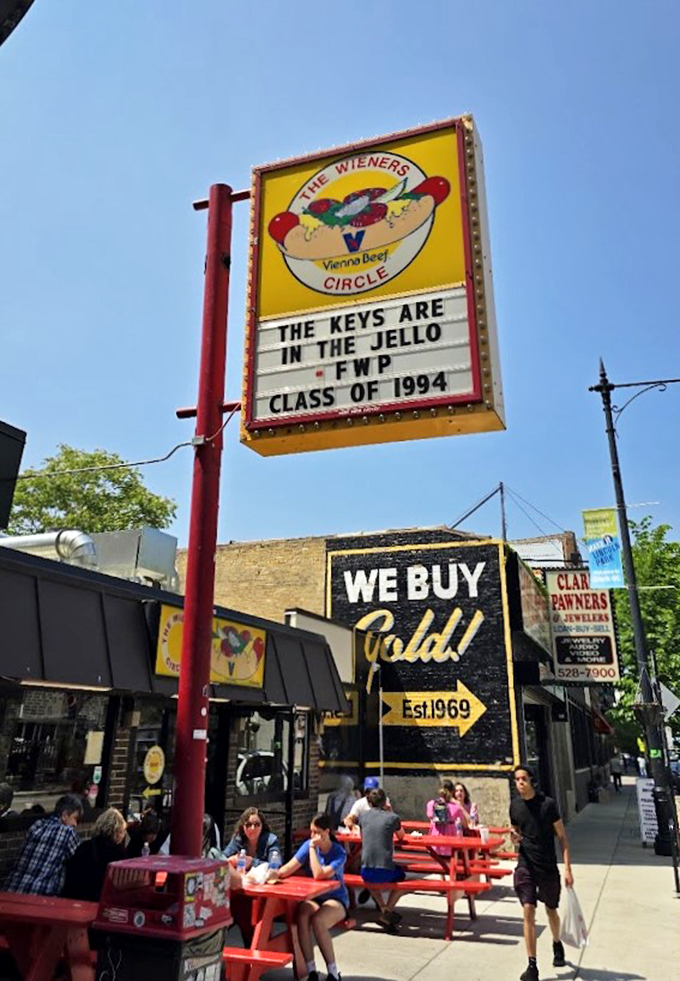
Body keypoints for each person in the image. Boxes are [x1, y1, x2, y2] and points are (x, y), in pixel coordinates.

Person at [510, 764, 573, 981]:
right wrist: (514, 838)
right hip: (525, 865)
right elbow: (517, 832)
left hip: (547, 866)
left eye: (523, 779)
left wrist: (567, 868)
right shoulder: (515, 807)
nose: (520, 783)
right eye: (517, 779)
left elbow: (562, 838)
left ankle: (556, 942)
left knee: (551, 910)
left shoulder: (548, 805)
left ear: (532, 781)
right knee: (528, 910)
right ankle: (532, 965)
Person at [269, 813, 347, 981]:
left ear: (327, 832)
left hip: (336, 898)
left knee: (318, 921)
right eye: (311, 832)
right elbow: (288, 868)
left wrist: (312, 848)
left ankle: (333, 972)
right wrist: (270, 873)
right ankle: (311, 970)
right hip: (314, 897)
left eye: (316, 832)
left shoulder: (338, 852)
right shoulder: (308, 845)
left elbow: (319, 874)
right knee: (302, 916)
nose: (312, 836)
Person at [224, 807, 282, 946]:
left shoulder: (270, 840)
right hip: (242, 887)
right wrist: (231, 859)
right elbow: (222, 857)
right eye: (248, 825)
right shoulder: (238, 839)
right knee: (231, 906)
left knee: (249, 912)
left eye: (257, 824)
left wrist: (253, 862)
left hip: (262, 890)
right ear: (243, 826)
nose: (252, 828)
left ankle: (255, 946)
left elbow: (276, 864)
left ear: (262, 826)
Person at [4, 793, 83, 895]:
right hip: (39, 895)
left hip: (12, 888)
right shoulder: (68, 832)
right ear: (64, 815)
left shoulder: (37, 825)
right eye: (75, 818)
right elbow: (80, 862)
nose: (75, 824)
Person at [358, 788, 405, 930]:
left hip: (365, 869)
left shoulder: (363, 817)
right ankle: (387, 910)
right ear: (385, 802)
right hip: (385, 869)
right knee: (402, 879)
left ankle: (382, 906)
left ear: (369, 802)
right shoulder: (392, 818)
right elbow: (401, 836)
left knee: (369, 880)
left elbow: (363, 837)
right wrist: (390, 812)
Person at [63, 807, 127, 901]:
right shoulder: (120, 853)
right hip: (100, 900)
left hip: (76, 897)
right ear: (118, 832)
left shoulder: (84, 846)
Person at [426, 785, 469, 854]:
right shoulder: (456, 808)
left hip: (434, 841)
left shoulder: (431, 804)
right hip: (450, 843)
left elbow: (430, 817)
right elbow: (465, 824)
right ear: (452, 792)